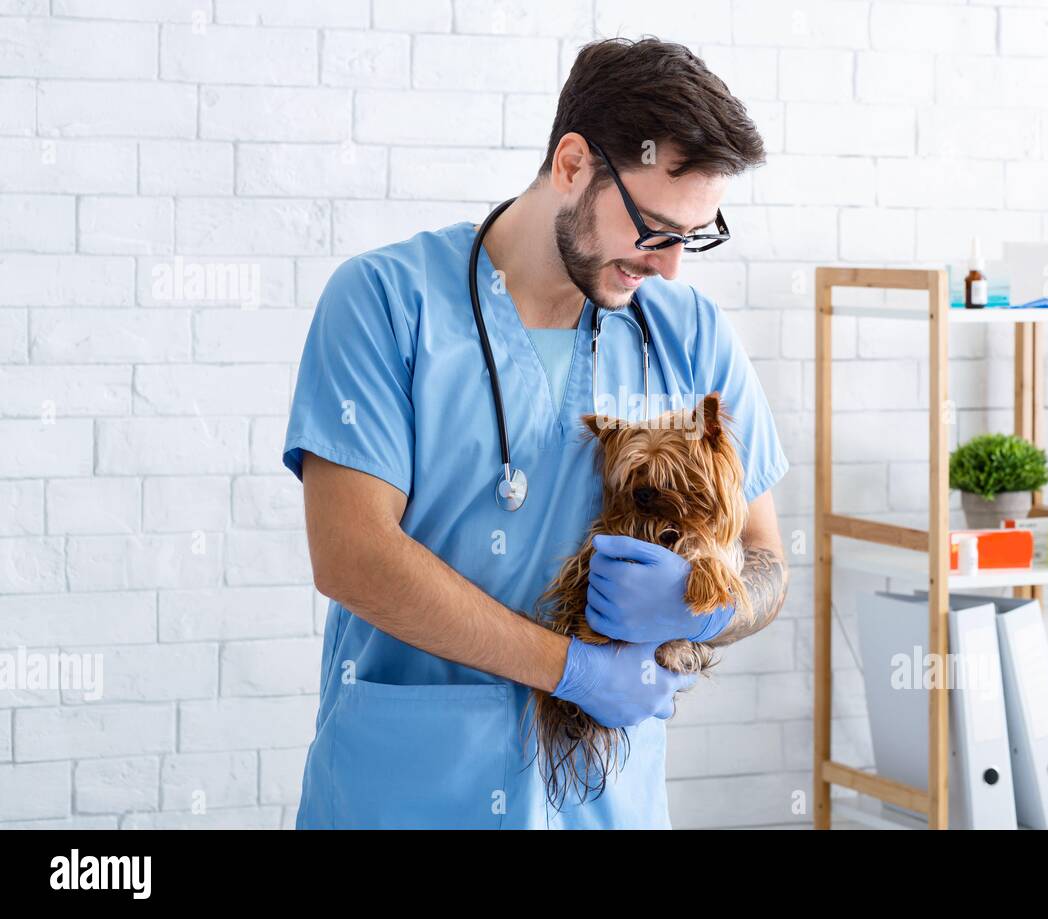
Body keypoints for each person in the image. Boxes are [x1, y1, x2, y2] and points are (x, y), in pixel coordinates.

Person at [284, 37, 789, 829]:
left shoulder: (690, 333)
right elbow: (351, 555)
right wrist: (571, 669)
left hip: (604, 802)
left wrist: (705, 608)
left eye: (692, 237)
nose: (670, 270)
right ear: (572, 164)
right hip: (407, 795)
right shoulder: (385, 304)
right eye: (655, 229)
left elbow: (766, 560)